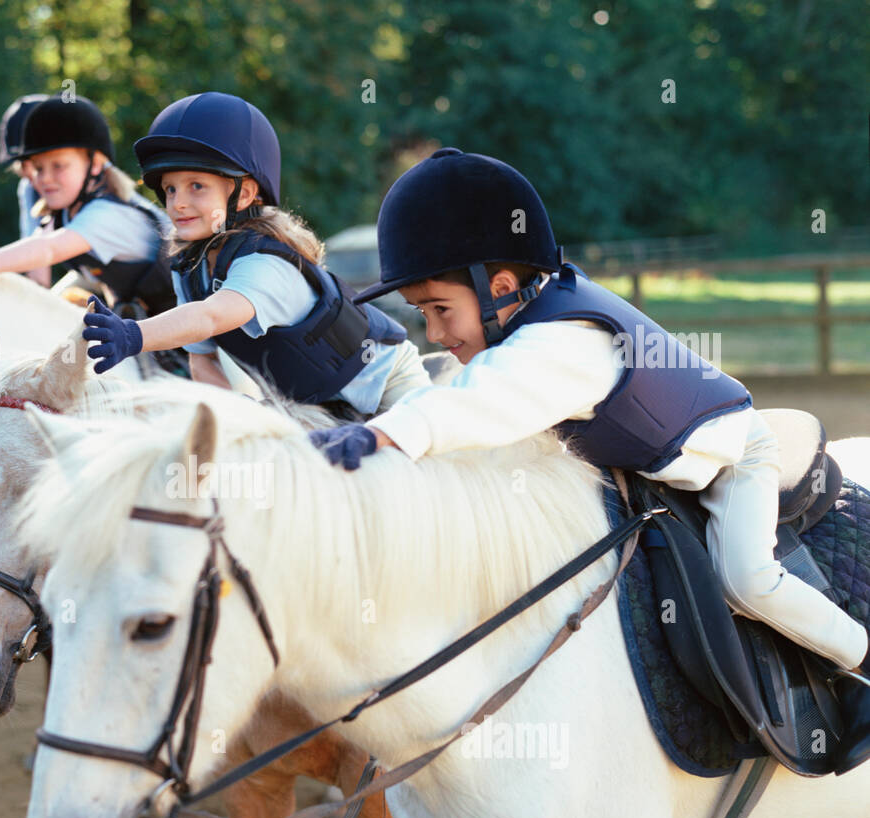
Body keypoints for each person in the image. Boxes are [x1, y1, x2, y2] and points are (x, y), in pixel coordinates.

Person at [308, 147, 870, 773]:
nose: (434, 333)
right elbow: (464, 392)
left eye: (440, 310)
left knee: (746, 577)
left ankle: (861, 664)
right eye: (422, 315)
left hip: (735, 458)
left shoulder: (562, 343)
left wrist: (384, 437)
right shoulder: (525, 324)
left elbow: (478, 404)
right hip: (651, 464)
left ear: (497, 288)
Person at [79, 91, 432, 418]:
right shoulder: (190, 269)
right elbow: (203, 365)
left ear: (244, 194)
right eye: (170, 189)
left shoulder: (266, 264)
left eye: (196, 186)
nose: (178, 202)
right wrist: (247, 416)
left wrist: (133, 335)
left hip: (388, 386)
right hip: (317, 407)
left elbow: (211, 317)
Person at [0, 95, 177, 322]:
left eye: (58, 166)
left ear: (95, 165)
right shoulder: (63, 210)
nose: (44, 179)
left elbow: (48, 249)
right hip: (145, 311)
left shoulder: (108, 215)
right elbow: (38, 272)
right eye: (38, 169)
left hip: (192, 317)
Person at [0, 93, 51, 285]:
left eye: (34, 163)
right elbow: (37, 273)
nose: (32, 176)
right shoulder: (29, 189)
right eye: (23, 164)